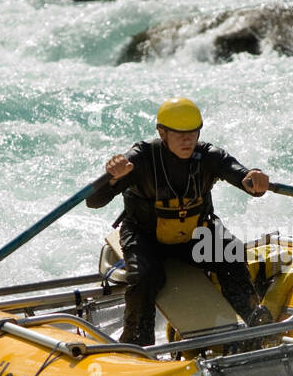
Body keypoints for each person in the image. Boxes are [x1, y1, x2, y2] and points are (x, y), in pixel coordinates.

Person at [88, 97, 272, 345]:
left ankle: (253, 320)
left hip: (193, 236)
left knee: (233, 253)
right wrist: (111, 178)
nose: (187, 140)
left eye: (192, 133)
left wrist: (254, 178)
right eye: (178, 134)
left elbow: (243, 177)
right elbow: (94, 201)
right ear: (162, 133)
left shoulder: (209, 156)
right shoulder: (140, 157)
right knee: (144, 277)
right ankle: (136, 342)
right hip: (146, 237)